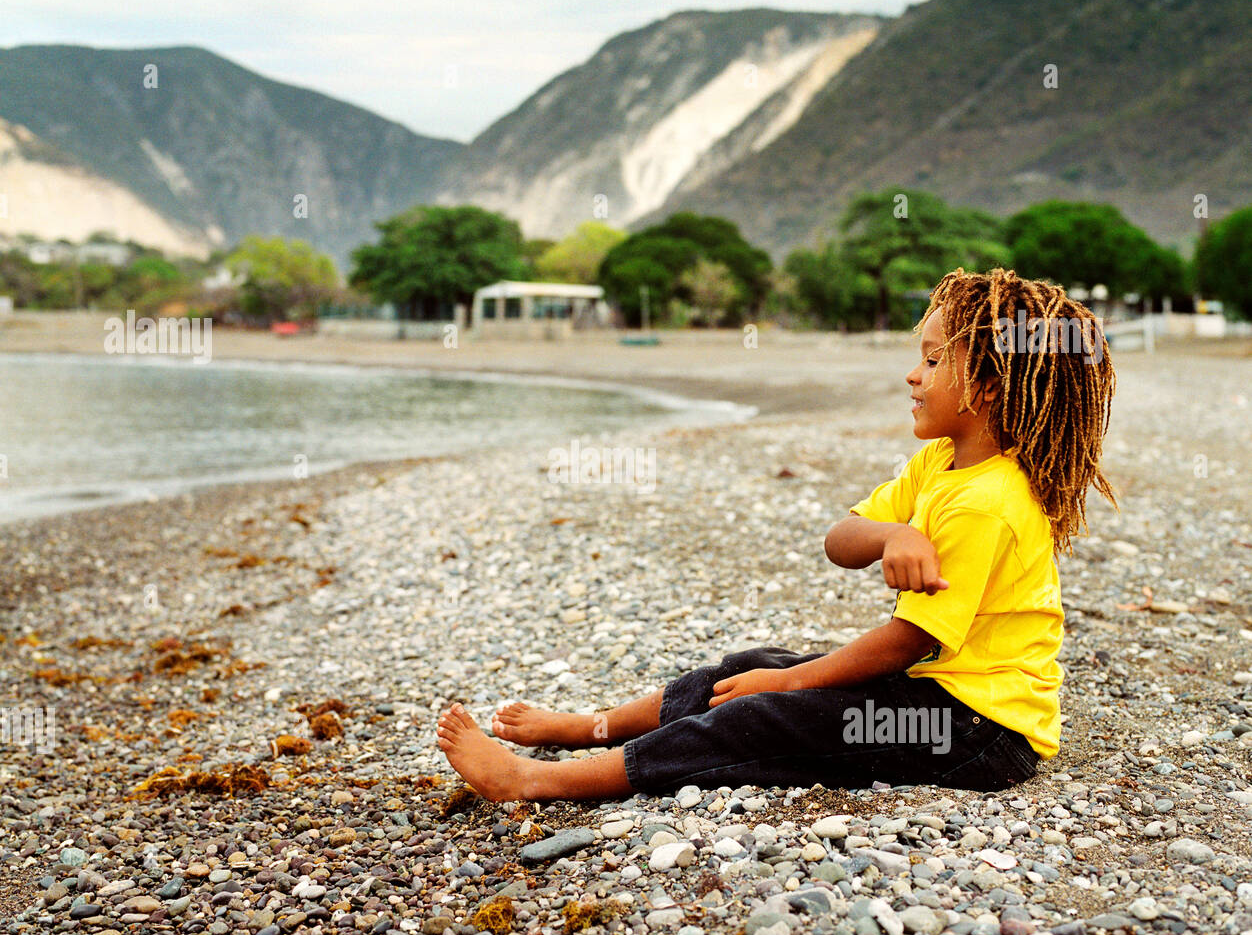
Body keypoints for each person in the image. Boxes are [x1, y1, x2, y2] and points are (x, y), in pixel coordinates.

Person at [436, 267, 1118, 800]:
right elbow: (839, 539)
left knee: (764, 715)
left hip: (977, 731)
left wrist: (791, 690)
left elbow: (909, 639)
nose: (913, 373)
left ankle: (535, 781)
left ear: (993, 386)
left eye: (935, 361)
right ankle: (588, 728)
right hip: (935, 690)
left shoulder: (990, 501)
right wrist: (890, 537)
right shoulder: (940, 462)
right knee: (746, 669)